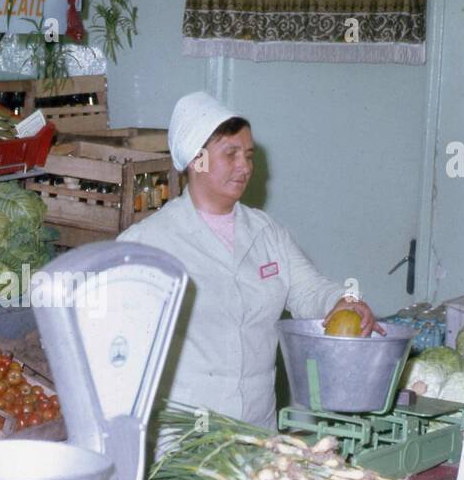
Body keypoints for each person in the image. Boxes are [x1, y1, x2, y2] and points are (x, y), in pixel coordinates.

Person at [117, 91, 377, 428]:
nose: (245, 166)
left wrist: (344, 300)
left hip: (258, 430)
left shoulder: (267, 232)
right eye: (231, 154)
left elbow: (309, 290)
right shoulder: (148, 243)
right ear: (196, 160)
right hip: (185, 440)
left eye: (249, 155)